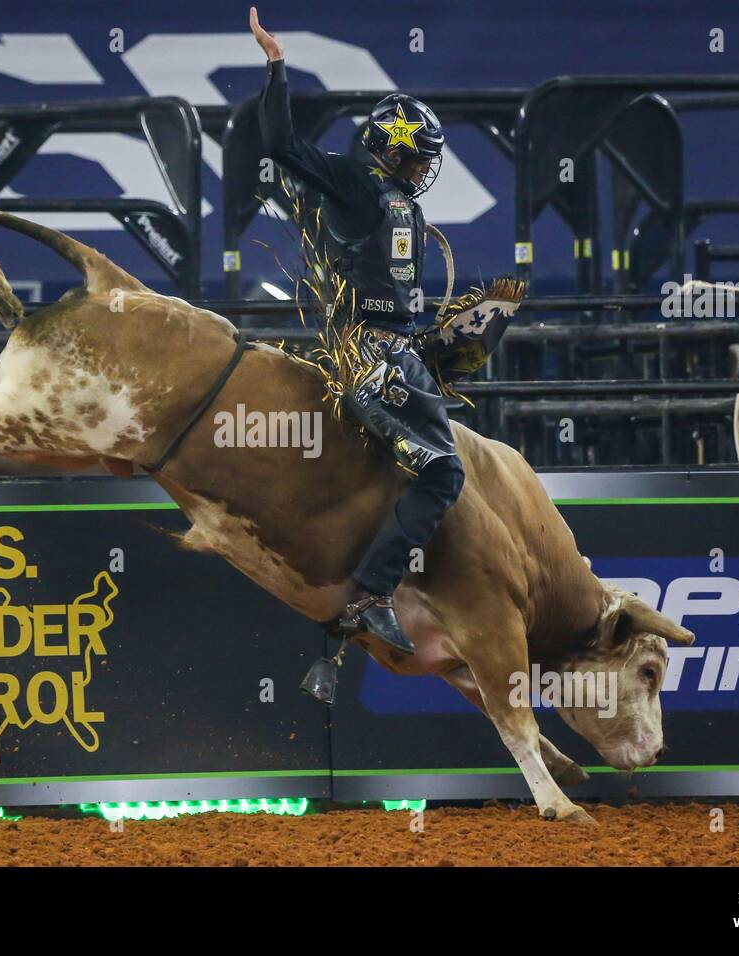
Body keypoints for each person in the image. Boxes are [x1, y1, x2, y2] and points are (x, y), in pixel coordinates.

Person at [250, 6, 466, 655]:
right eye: (419, 155)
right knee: (443, 475)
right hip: (373, 358)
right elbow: (281, 146)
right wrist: (276, 65)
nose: (425, 167)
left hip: (390, 352)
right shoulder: (357, 184)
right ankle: (373, 593)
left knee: (413, 467)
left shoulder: (389, 198)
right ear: (396, 148)